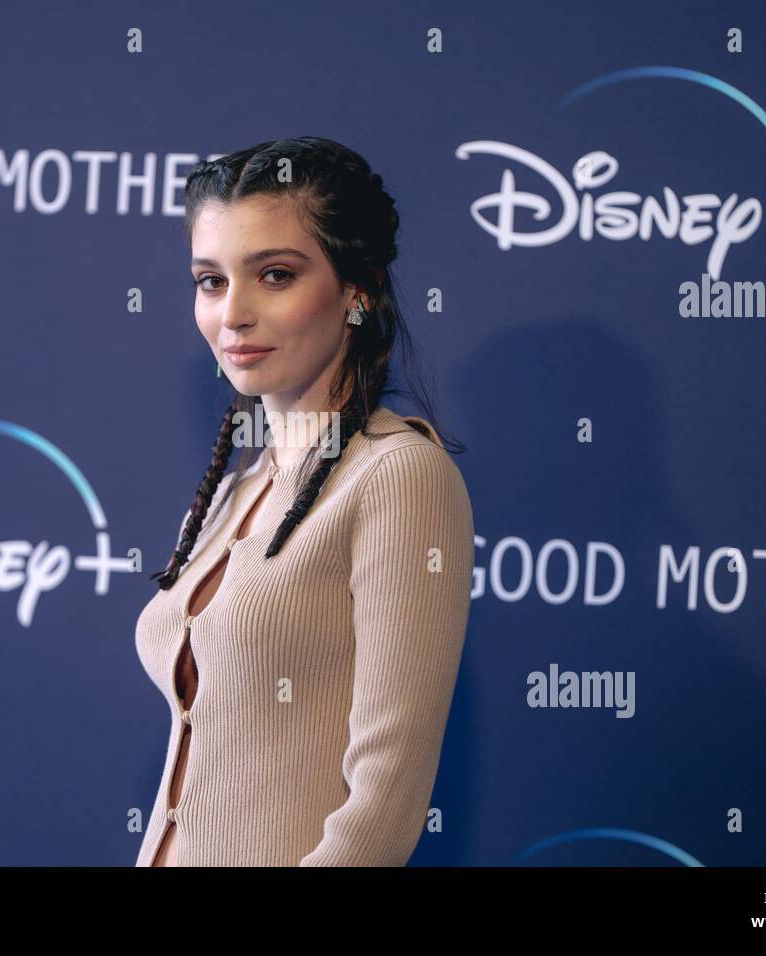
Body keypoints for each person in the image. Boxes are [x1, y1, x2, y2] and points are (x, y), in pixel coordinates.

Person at [134, 136, 474, 866]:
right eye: (210, 281)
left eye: (276, 275)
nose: (234, 314)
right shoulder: (234, 489)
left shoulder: (400, 477)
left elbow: (382, 810)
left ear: (357, 291)